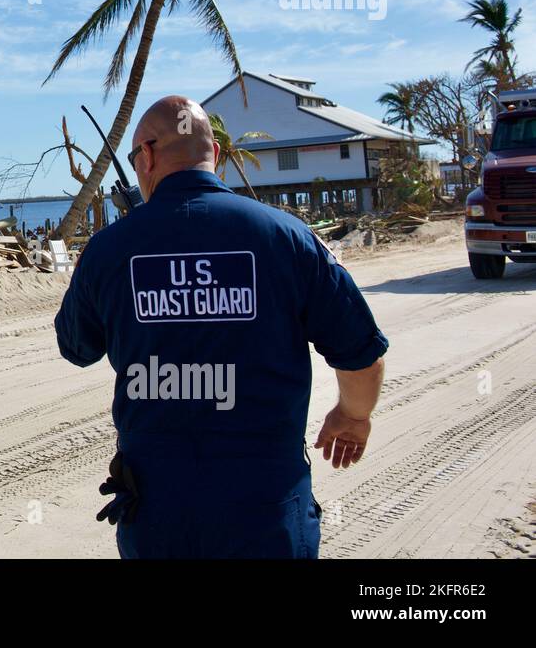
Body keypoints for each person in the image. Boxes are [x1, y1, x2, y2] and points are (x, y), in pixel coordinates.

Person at [55, 95, 387, 558]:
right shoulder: (288, 237)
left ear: (147, 156)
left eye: (136, 161)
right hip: (268, 509)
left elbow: (76, 346)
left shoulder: (108, 250)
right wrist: (353, 416)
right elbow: (360, 354)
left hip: (159, 515)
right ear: (214, 154)